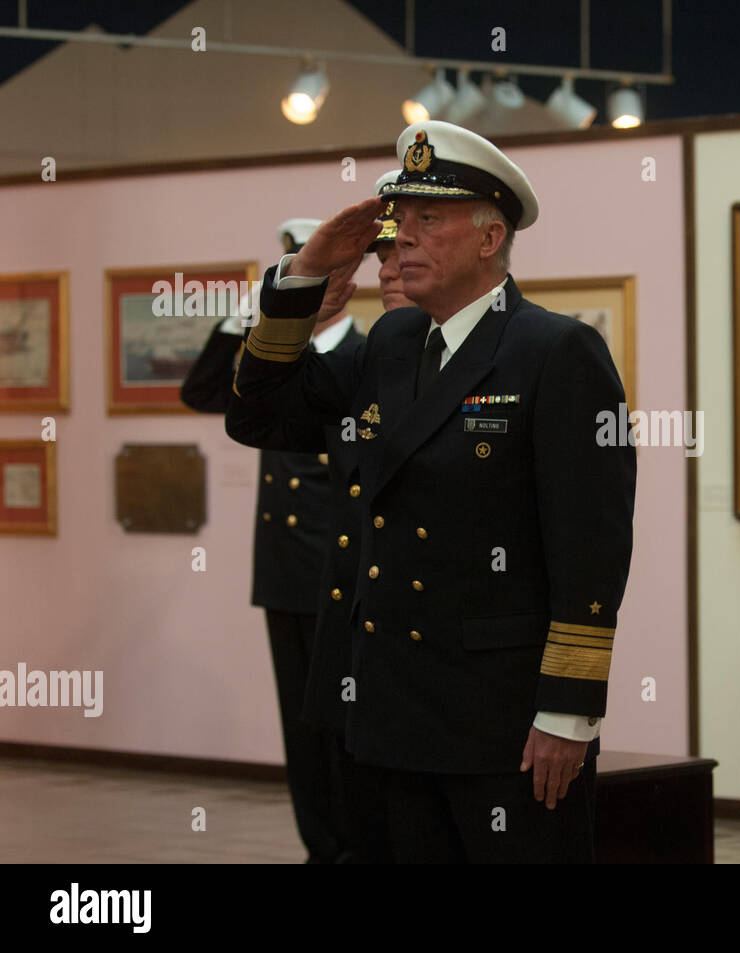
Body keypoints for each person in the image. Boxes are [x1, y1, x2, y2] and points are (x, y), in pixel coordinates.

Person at [226, 121, 637, 863]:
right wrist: (303, 277)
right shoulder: (390, 344)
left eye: (428, 219)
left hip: (501, 721)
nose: (400, 238)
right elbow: (260, 415)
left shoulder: (555, 351)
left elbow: (592, 549)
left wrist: (569, 714)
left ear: (489, 238)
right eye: (397, 219)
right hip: (386, 710)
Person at [180, 218, 366, 863]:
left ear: (342, 280)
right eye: (293, 272)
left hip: (339, 572)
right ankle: (319, 845)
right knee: (302, 725)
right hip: (286, 570)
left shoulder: (362, 360)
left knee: (343, 724)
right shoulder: (272, 362)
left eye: (313, 272)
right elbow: (200, 392)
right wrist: (244, 318)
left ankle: (351, 846)